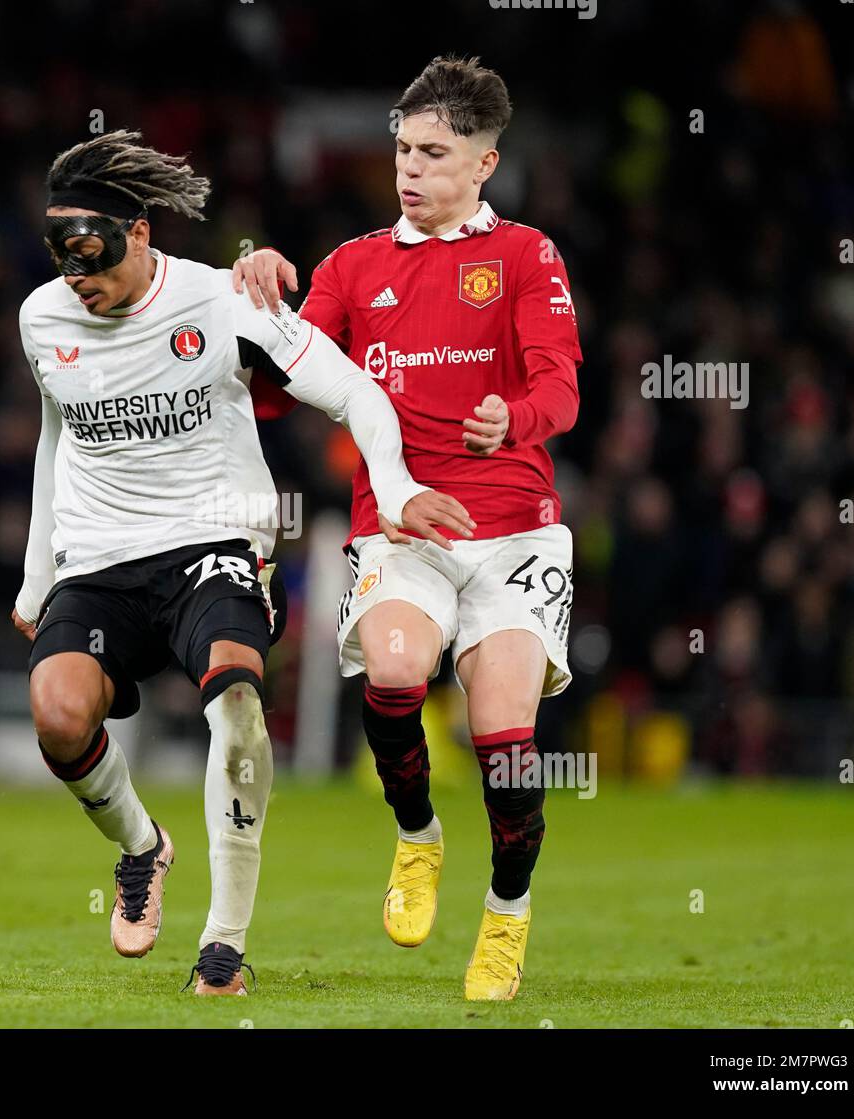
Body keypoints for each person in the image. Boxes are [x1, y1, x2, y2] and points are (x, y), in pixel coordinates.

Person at [12, 130, 470, 995]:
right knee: (58, 715)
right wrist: (39, 576)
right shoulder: (43, 318)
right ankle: (143, 849)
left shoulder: (224, 301)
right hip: (100, 558)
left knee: (241, 709)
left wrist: (399, 486)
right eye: (63, 260)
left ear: (140, 234)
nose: (80, 278)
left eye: (94, 256)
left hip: (214, 546)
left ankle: (223, 945)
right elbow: (52, 437)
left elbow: (357, 392)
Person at [233, 55, 582, 1000]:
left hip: (514, 534)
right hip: (401, 531)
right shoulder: (353, 266)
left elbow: (562, 385)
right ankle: (419, 837)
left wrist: (517, 416)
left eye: (435, 153)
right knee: (393, 673)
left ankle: (506, 917)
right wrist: (256, 294)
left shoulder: (525, 256)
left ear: (484, 165)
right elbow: (282, 380)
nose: (411, 168)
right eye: (403, 149)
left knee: (504, 732)